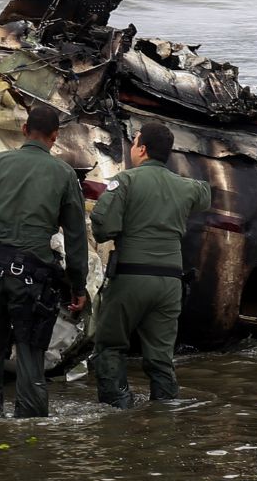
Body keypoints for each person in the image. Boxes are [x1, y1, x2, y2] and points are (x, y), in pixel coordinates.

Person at [0, 103, 88, 418]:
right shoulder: (65, 174)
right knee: (30, 354)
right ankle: (30, 432)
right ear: (55, 137)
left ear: (24, 130)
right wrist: (78, 286)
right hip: (33, 278)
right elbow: (76, 237)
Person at [88, 122, 212, 407]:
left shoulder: (127, 181)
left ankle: (117, 412)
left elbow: (103, 226)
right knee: (160, 356)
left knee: (110, 347)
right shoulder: (187, 187)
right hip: (170, 283)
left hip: (132, 276)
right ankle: (165, 414)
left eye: (134, 143)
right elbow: (204, 195)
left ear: (142, 149)